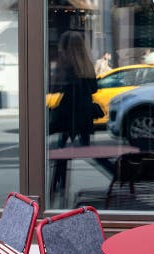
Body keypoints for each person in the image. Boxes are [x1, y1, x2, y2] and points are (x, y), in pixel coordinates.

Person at [48, 32, 100, 206]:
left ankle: (57, 188)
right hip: (84, 113)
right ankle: (116, 171)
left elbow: (57, 87)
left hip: (68, 113)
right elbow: (94, 89)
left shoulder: (67, 64)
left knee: (61, 151)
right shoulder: (87, 64)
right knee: (85, 149)